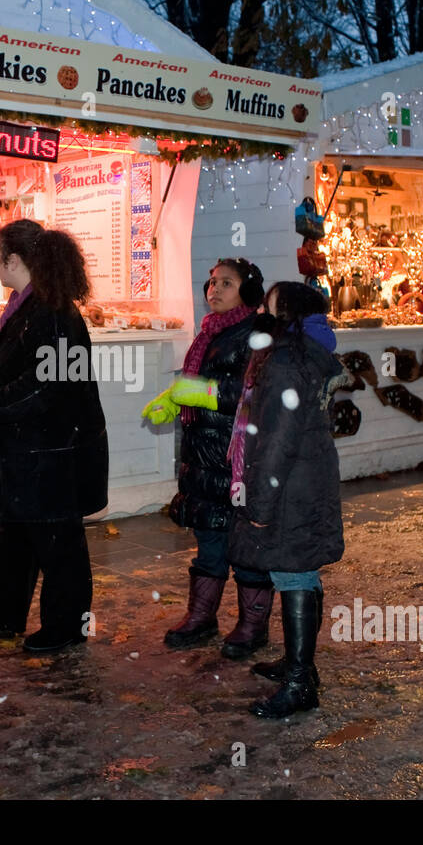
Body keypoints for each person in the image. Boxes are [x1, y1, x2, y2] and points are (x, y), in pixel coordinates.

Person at [0, 219, 109, 655]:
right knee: (17, 532)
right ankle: (3, 610)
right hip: (29, 449)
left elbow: (45, 388)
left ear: (14, 260)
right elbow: (1, 366)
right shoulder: (24, 304)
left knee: (60, 545)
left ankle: (68, 625)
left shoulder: (55, 312)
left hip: (56, 451)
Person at [227, 282, 348, 719]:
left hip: (290, 487)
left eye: (269, 306)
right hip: (309, 480)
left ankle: (299, 684)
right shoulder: (310, 354)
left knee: (292, 574)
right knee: (303, 571)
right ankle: (301, 666)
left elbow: (275, 441)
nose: (262, 312)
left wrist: (258, 506)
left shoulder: (283, 363)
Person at [142, 257, 273, 659]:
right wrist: (173, 397)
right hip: (203, 459)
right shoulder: (210, 333)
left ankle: (253, 626)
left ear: (247, 293)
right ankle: (202, 617)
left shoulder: (255, 334)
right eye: (212, 283)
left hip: (237, 463)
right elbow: (198, 383)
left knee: (245, 546)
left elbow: (252, 392)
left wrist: (201, 393)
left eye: (226, 284)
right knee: (209, 541)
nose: (213, 291)